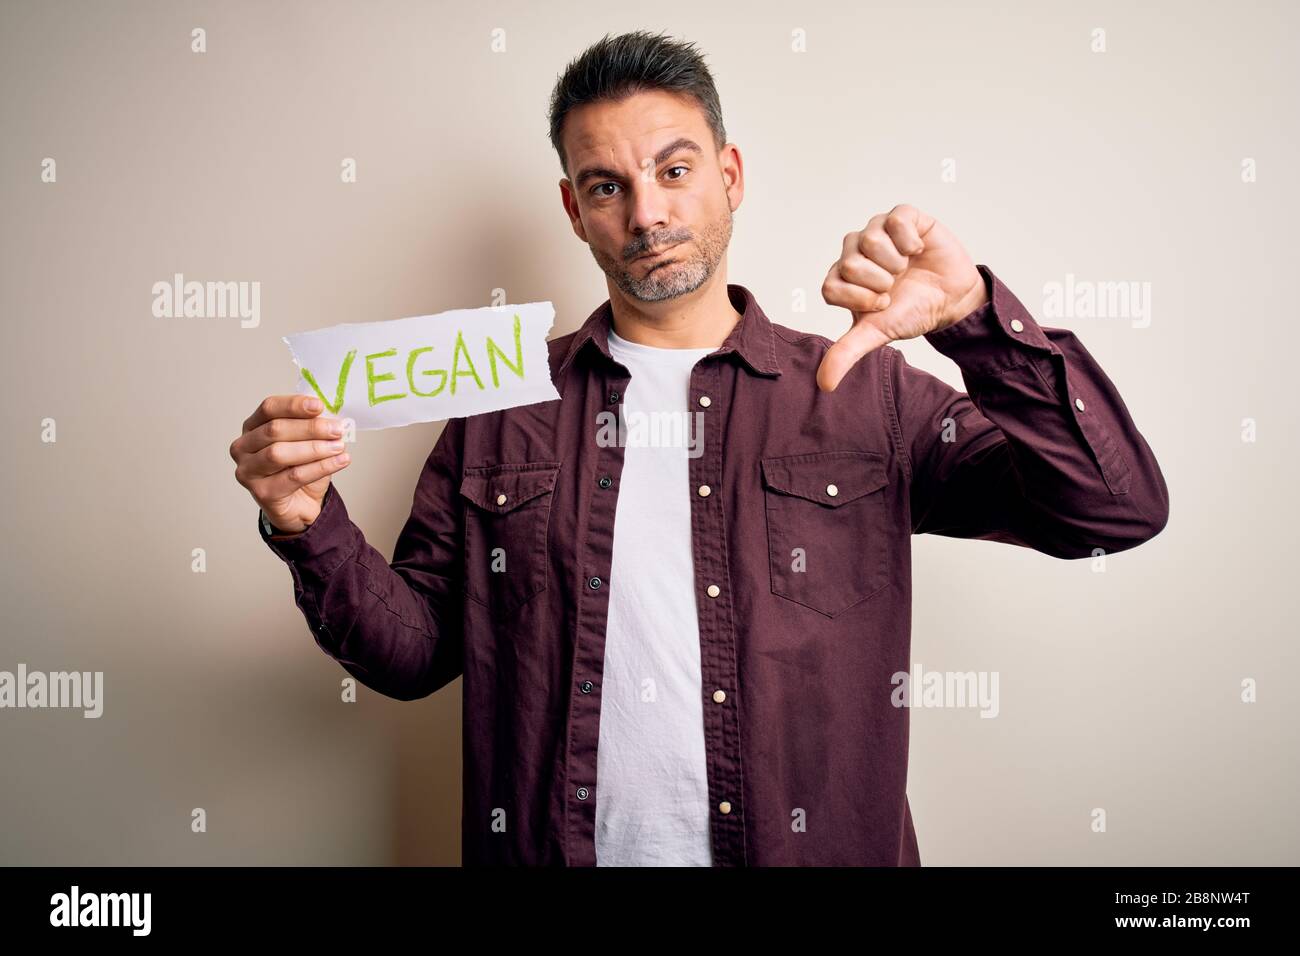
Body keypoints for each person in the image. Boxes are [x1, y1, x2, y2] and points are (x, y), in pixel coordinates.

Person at [229, 30, 1169, 866]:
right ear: (573, 208)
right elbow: (414, 653)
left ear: (731, 175)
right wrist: (306, 523)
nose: (646, 215)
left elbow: (1112, 510)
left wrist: (972, 323)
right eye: (608, 186)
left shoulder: (863, 393)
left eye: (674, 171)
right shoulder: (496, 408)